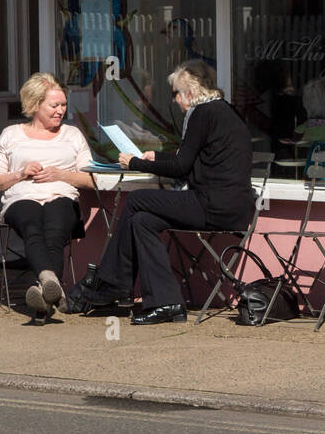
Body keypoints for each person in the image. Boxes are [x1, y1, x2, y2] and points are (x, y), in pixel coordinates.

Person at [64, 60, 255, 325]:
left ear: (190, 92)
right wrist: (158, 157)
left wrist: (135, 163)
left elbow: (181, 167)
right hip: (232, 206)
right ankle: (167, 303)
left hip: (214, 205)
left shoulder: (202, 113)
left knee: (138, 199)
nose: (174, 100)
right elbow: (194, 159)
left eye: (175, 93)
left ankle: (111, 282)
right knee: (143, 221)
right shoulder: (222, 110)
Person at [0, 73, 96, 318]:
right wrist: (20, 174)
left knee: (55, 230)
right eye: (54, 105)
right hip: (21, 197)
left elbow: (91, 178)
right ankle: (51, 283)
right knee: (32, 224)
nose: (61, 111)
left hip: (62, 195)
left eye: (64, 105)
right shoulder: (11, 134)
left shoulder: (72, 135)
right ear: (35, 105)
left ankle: (45, 295)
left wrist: (61, 175)